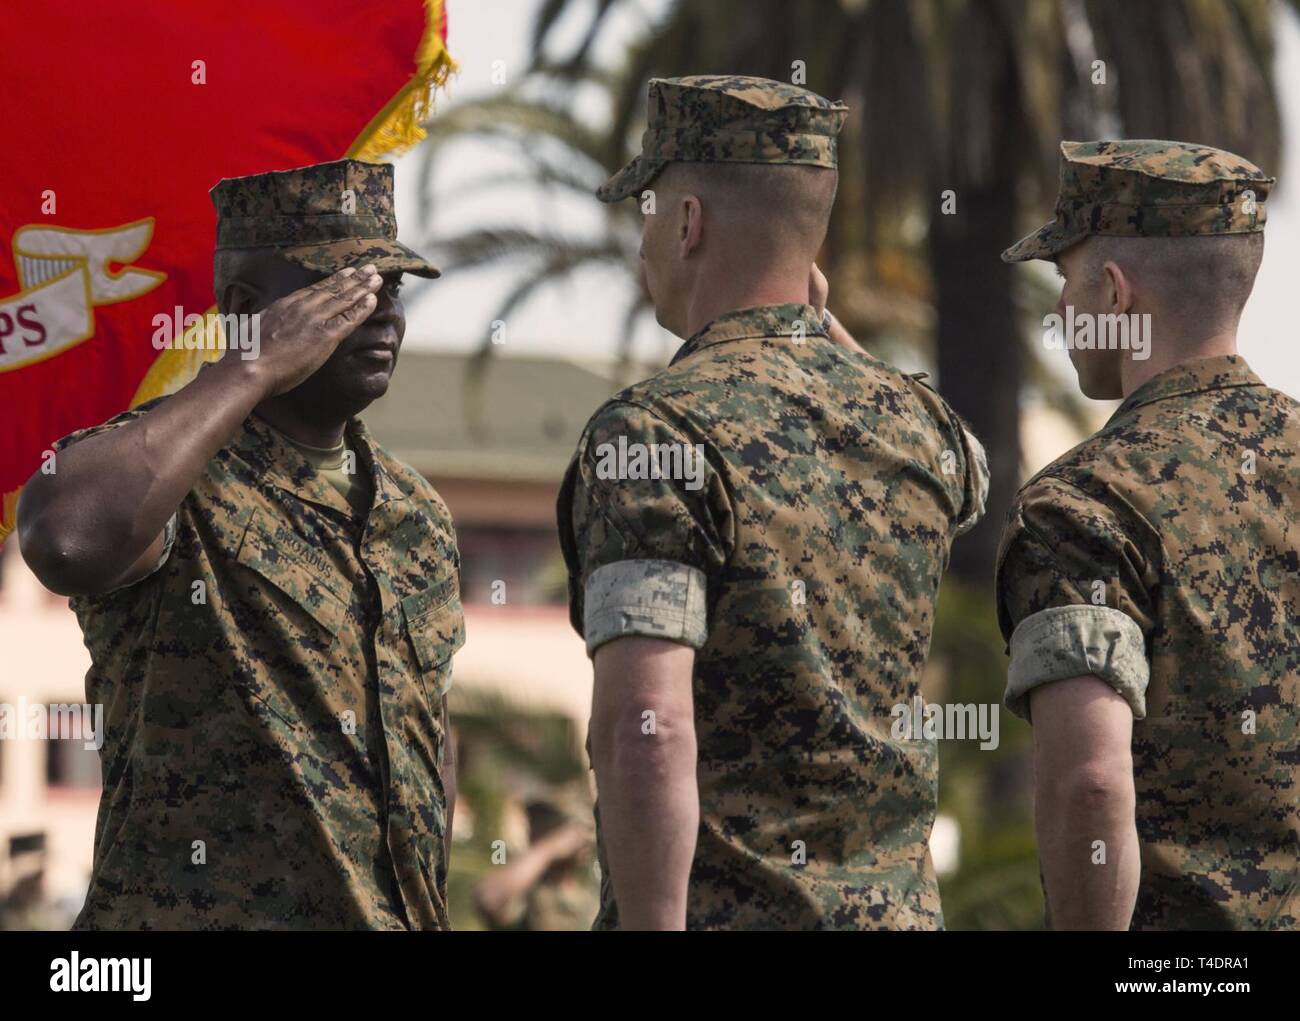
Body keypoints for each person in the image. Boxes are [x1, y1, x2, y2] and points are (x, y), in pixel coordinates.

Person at [558, 75, 988, 930]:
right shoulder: (919, 429)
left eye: (648, 210)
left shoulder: (654, 435)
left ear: (688, 224)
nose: (641, 239)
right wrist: (818, 331)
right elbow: (964, 459)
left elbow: (648, 726)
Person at [17, 159, 466, 930]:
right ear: (244, 306)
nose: (381, 313)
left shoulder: (415, 511)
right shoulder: (173, 475)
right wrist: (252, 365)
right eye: (343, 291)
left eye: (391, 288)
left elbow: (428, 731)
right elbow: (64, 539)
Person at [997, 139, 1298, 930]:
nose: (1061, 311)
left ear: (1116, 293)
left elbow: (1090, 785)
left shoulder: (1084, 505)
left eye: (1065, 279)